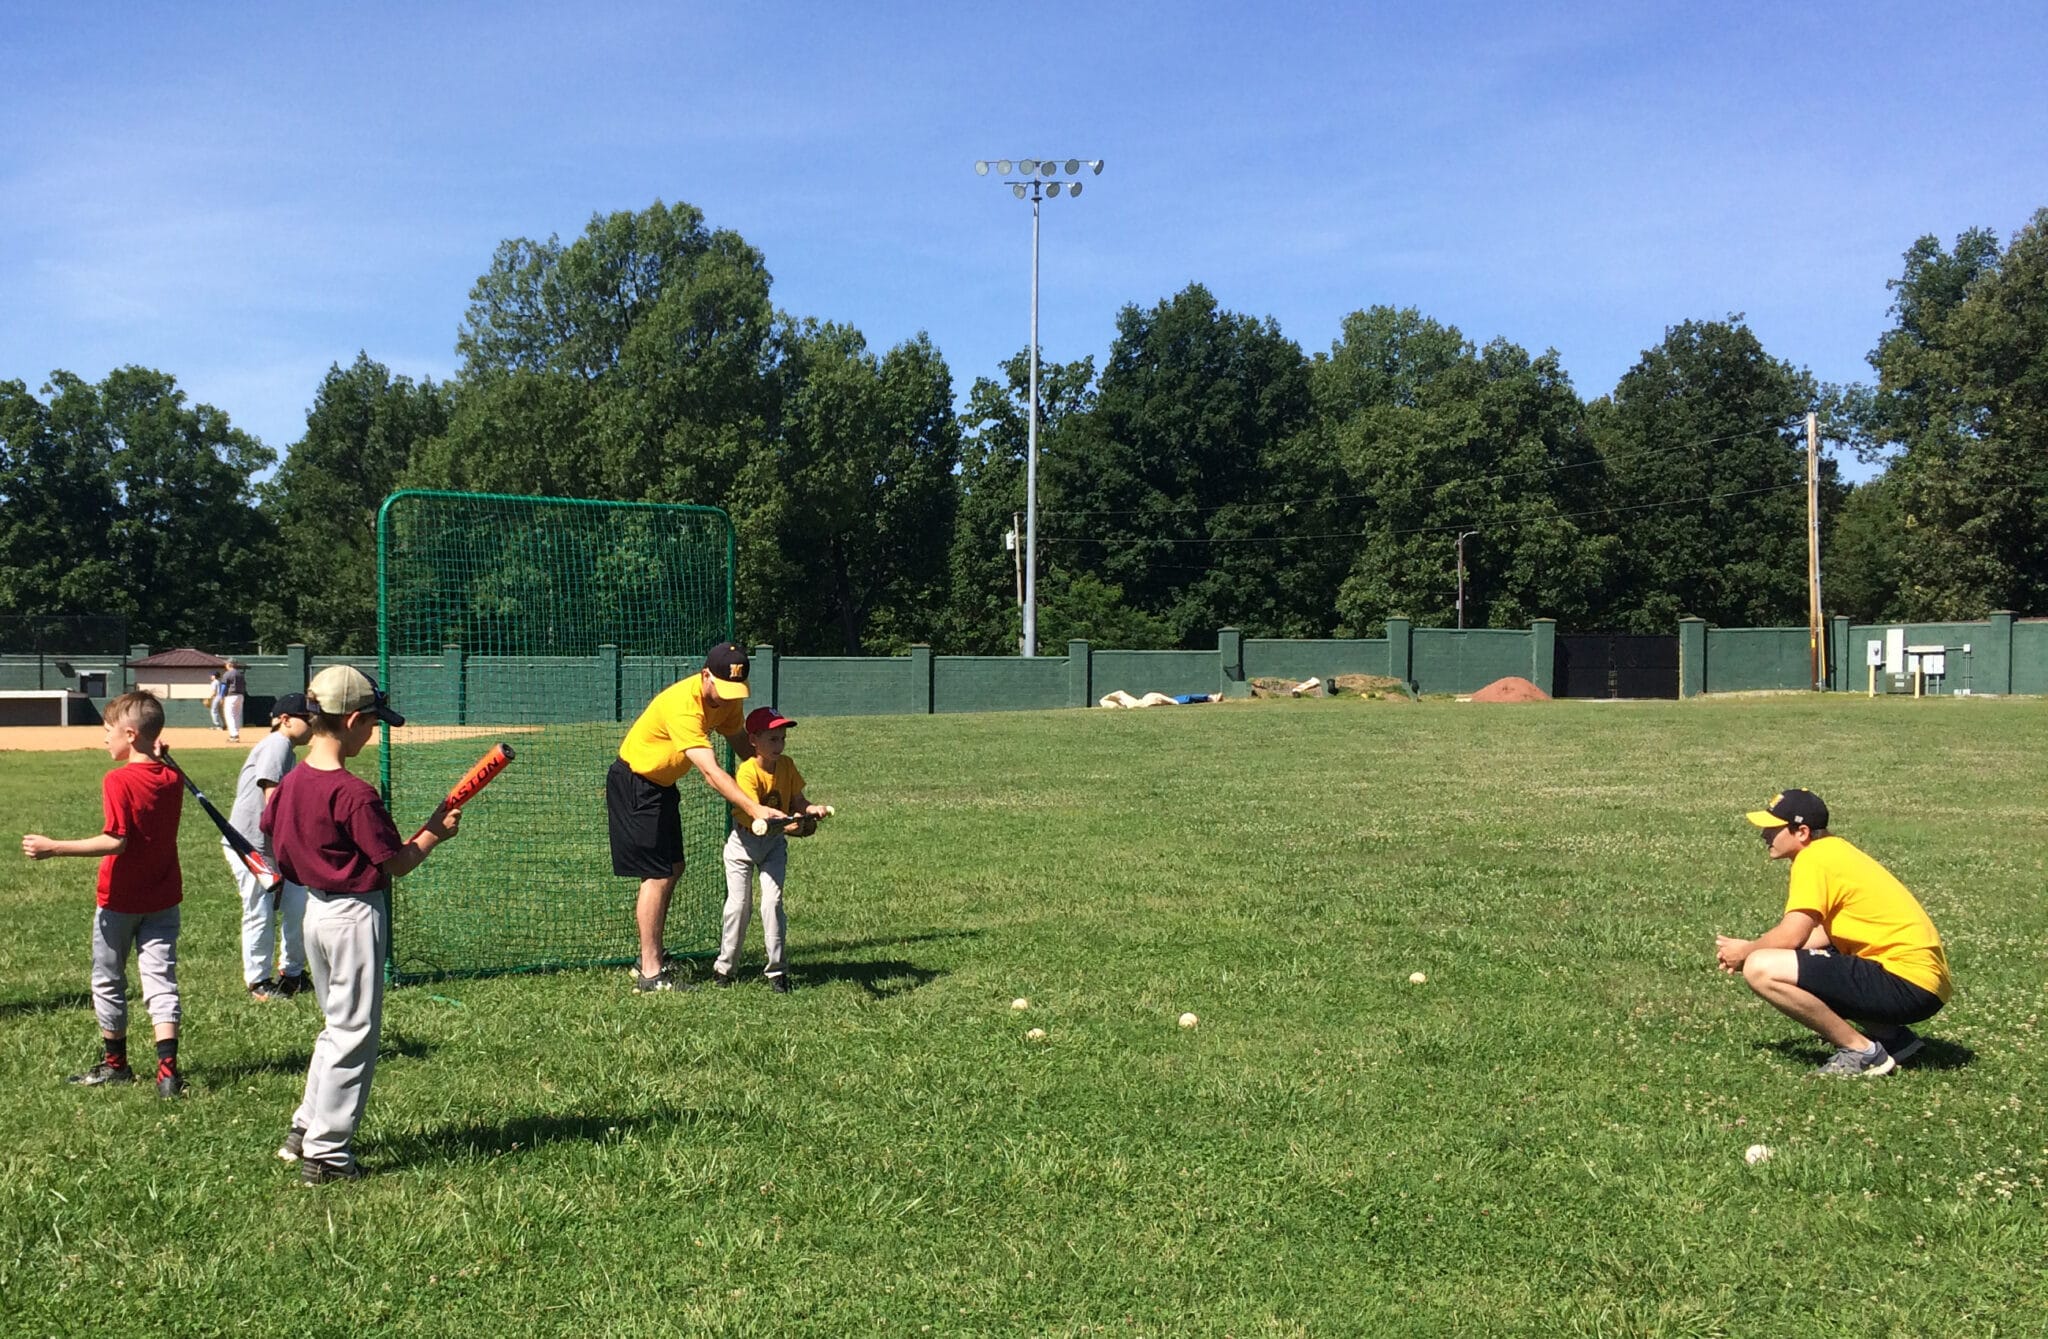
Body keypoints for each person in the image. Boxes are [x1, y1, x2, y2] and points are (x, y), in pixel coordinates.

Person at [264, 665, 459, 1184]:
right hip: (353, 916)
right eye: (371, 723)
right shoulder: (354, 793)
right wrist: (434, 832)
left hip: (313, 912)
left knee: (335, 1026)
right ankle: (327, 1153)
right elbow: (395, 862)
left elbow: (272, 839)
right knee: (354, 1033)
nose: (373, 732)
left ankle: (305, 1128)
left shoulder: (289, 784)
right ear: (351, 720)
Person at [1716, 789, 1953, 1077]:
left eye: (1773, 828)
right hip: (1924, 985)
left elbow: (1792, 935)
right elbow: (1814, 939)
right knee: (1796, 961)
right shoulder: (1836, 851)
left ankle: (1863, 1052)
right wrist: (1760, 948)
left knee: (1761, 969)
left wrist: (1748, 952)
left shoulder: (1813, 859)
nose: (1765, 835)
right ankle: (1894, 1038)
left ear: (1801, 832)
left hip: (1905, 984)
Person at [20, 690, 188, 1097]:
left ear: (130, 734)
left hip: (119, 899)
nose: (104, 739)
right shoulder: (173, 777)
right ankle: (167, 1072)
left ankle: (116, 1065)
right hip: (164, 895)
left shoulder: (117, 779)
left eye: (108, 731)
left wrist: (53, 847)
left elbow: (117, 841)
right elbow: (158, 765)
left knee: (109, 979)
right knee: (160, 979)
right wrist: (157, 752)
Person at [608, 641, 784, 993]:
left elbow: (742, 747)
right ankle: (650, 973)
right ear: (705, 675)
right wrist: (754, 808)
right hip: (635, 783)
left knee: (672, 868)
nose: (728, 697)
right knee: (656, 876)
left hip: (662, 787)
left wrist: (779, 782)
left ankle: (650, 955)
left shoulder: (728, 698)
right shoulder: (683, 706)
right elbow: (711, 772)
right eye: (722, 687)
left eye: (736, 689)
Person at [713, 707, 828, 993]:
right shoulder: (748, 771)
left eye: (782, 738)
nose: (779, 745)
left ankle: (777, 972)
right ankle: (725, 968)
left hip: (773, 847)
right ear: (754, 740)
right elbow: (758, 817)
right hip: (743, 843)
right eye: (772, 739)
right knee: (738, 906)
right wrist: (791, 826)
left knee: (772, 904)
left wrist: (809, 810)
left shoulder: (787, 765)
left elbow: (798, 801)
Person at [226, 692, 314, 1002]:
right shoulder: (277, 744)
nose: (314, 723)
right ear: (285, 720)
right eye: (308, 718)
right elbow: (272, 798)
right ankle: (258, 981)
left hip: (272, 846)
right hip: (249, 845)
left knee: (297, 904)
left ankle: (292, 974)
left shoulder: (287, 748)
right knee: (260, 912)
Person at [221, 659, 249, 742]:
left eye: (226, 664)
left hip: (231, 696)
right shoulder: (240, 673)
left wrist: (221, 696)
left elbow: (223, 686)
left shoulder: (228, 673)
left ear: (230, 664)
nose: (225, 665)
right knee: (237, 715)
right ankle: (235, 733)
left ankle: (234, 735)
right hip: (240, 696)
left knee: (229, 715)